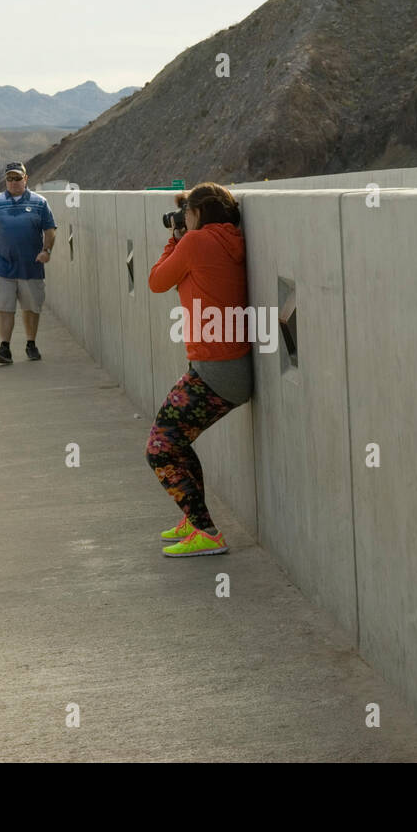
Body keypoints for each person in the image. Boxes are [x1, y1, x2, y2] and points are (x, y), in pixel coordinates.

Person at [145, 182, 252, 557]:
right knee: (176, 439)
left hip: (214, 371)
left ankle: (206, 531)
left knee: (159, 447)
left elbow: (157, 281)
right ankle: (195, 521)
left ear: (196, 213)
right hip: (229, 365)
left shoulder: (194, 242)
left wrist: (174, 239)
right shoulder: (231, 238)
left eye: (186, 213)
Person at [0, 162, 56, 364]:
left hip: (31, 266)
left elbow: (50, 229)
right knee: (4, 308)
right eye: (9, 179)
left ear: (25, 178)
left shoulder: (40, 203)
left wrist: (46, 250)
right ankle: (4, 347)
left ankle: (31, 343)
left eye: (17, 178)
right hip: (3, 266)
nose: (13, 182)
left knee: (31, 308)